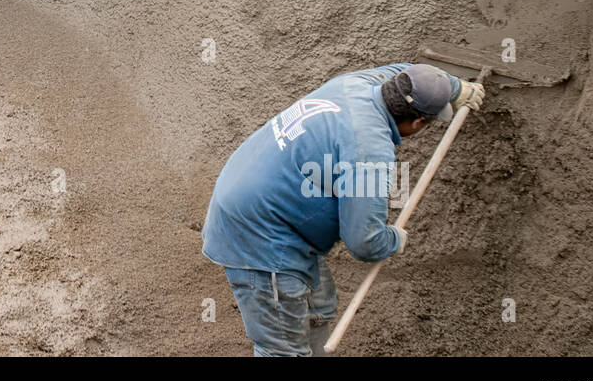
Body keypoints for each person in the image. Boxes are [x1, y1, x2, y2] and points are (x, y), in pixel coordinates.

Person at [201, 62, 485, 356]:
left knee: (318, 308)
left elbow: (408, 70)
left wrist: (456, 88)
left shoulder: (356, 84)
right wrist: (396, 239)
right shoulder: (369, 152)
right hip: (258, 237)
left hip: (262, 203)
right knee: (282, 346)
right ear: (418, 123)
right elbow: (364, 242)